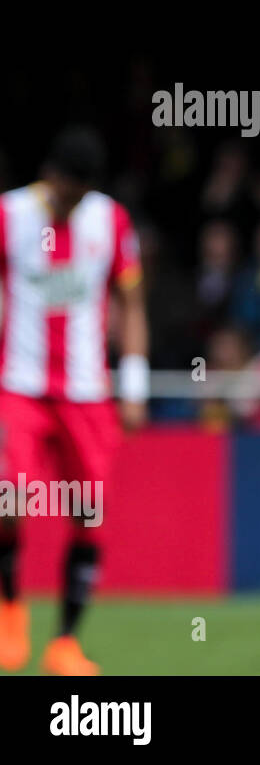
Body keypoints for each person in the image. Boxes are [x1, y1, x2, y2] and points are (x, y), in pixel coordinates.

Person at [0, 127, 149, 675]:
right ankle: (10, 606)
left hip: (87, 393)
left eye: (81, 194)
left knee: (89, 514)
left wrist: (132, 383)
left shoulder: (110, 221)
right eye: (66, 192)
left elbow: (131, 301)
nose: (72, 202)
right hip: (18, 385)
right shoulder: (9, 214)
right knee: (8, 493)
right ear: (50, 175)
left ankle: (64, 643)